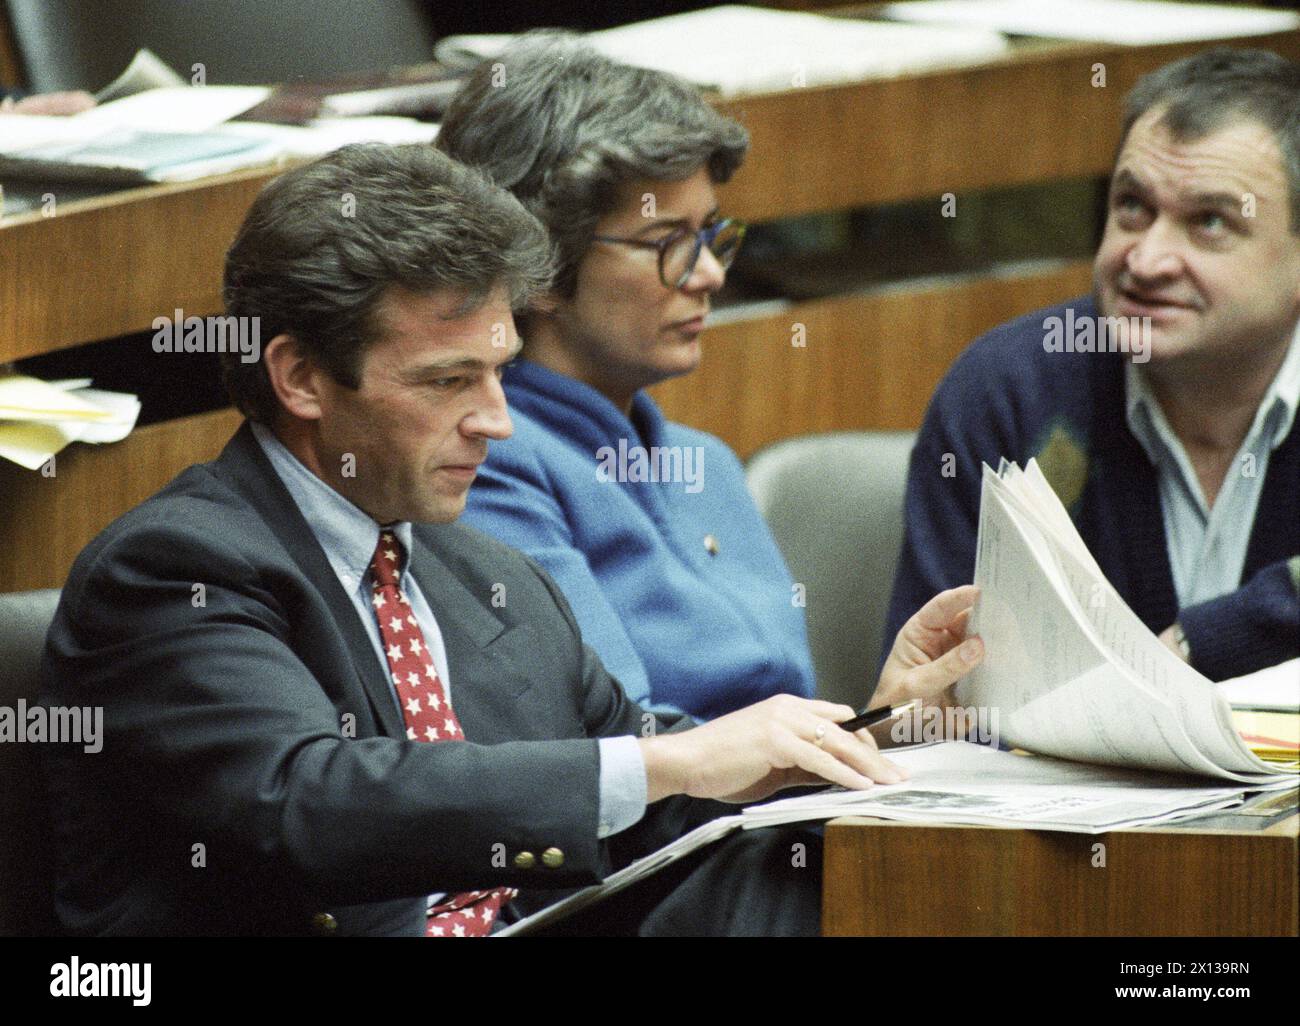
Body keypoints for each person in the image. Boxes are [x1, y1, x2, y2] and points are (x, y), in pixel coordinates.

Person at [39, 143, 984, 937]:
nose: (498, 421)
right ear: (301, 377)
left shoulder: (487, 575)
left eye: (500, 372)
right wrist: (670, 762)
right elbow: (305, 804)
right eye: (449, 381)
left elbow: (639, 805)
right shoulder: (174, 570)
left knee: (832, 883)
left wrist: (861, 736)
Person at [885, 47, 1299, 682]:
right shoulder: (1008, 392)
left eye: (1209, 222)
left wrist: (1206, 641)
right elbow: (928, 708)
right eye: (1133, 207)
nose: (1146, 260)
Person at [437, 33, 813, 720]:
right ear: (540, 266)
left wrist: (886, 719)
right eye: (665, 243)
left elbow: (788, 721)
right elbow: (620, 757)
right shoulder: (487, 468)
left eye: (710, 235)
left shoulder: (708, 463)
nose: (710, 274)